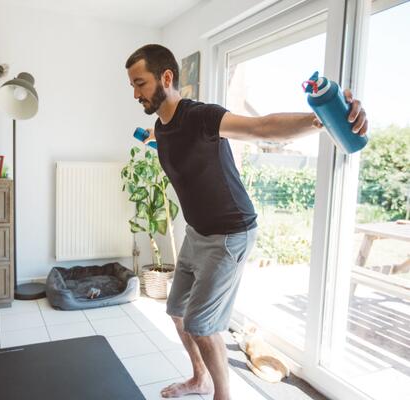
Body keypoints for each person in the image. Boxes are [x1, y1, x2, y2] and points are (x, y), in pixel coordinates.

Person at [125, 44, 367, 400]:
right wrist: (148, 140)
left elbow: (263, 127)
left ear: (166, 77)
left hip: (230, 233)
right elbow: (177, 150)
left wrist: (324, 118)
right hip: (197, 233)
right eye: (131, 85)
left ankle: (223, 396)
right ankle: (200, 379)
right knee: (176, 311)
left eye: (140, 83)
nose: (135, 93)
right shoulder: (161, 129)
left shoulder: (201, 116)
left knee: (201, 325)